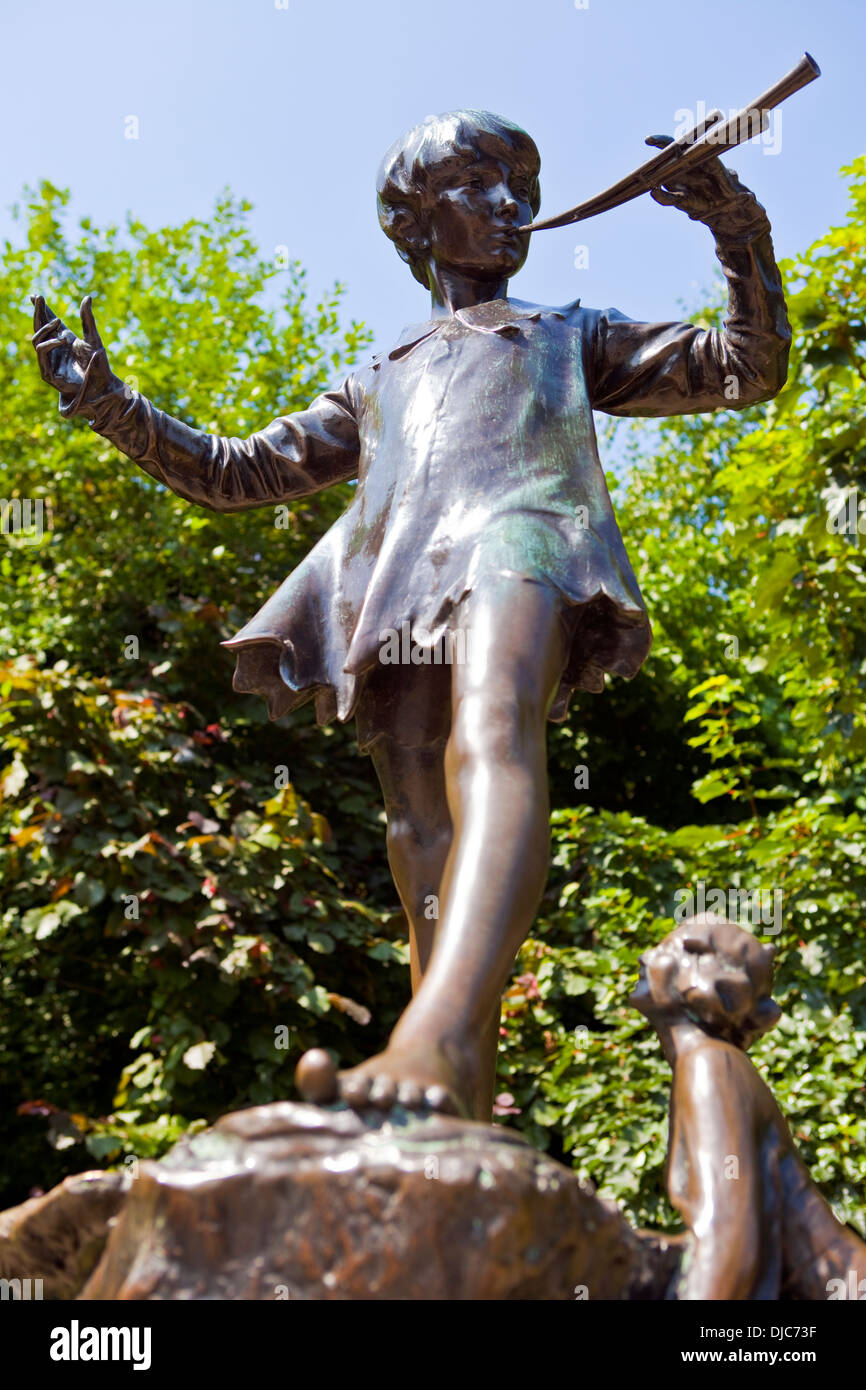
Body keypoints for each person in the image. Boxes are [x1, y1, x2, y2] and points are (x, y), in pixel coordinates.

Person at [32, 109, 790, 1121]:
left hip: (525, 542)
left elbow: (747, 364)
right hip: (401, 582)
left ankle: (428, 1034)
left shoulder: (569, 334)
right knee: (414, 824)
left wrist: (733, 229)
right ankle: (456, 1092)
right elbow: (233, 472)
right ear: (413, 221)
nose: (509, 205)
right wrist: (114, 409)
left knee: (493, 736)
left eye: (519, 186)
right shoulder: (376, 375)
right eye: (475, 188)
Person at [631, 914, 866, 1299]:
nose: (648, 956)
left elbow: (729, 1243)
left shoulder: (710, 1065)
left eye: (670, 949)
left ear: (706, 978)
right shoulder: (710, 1063)